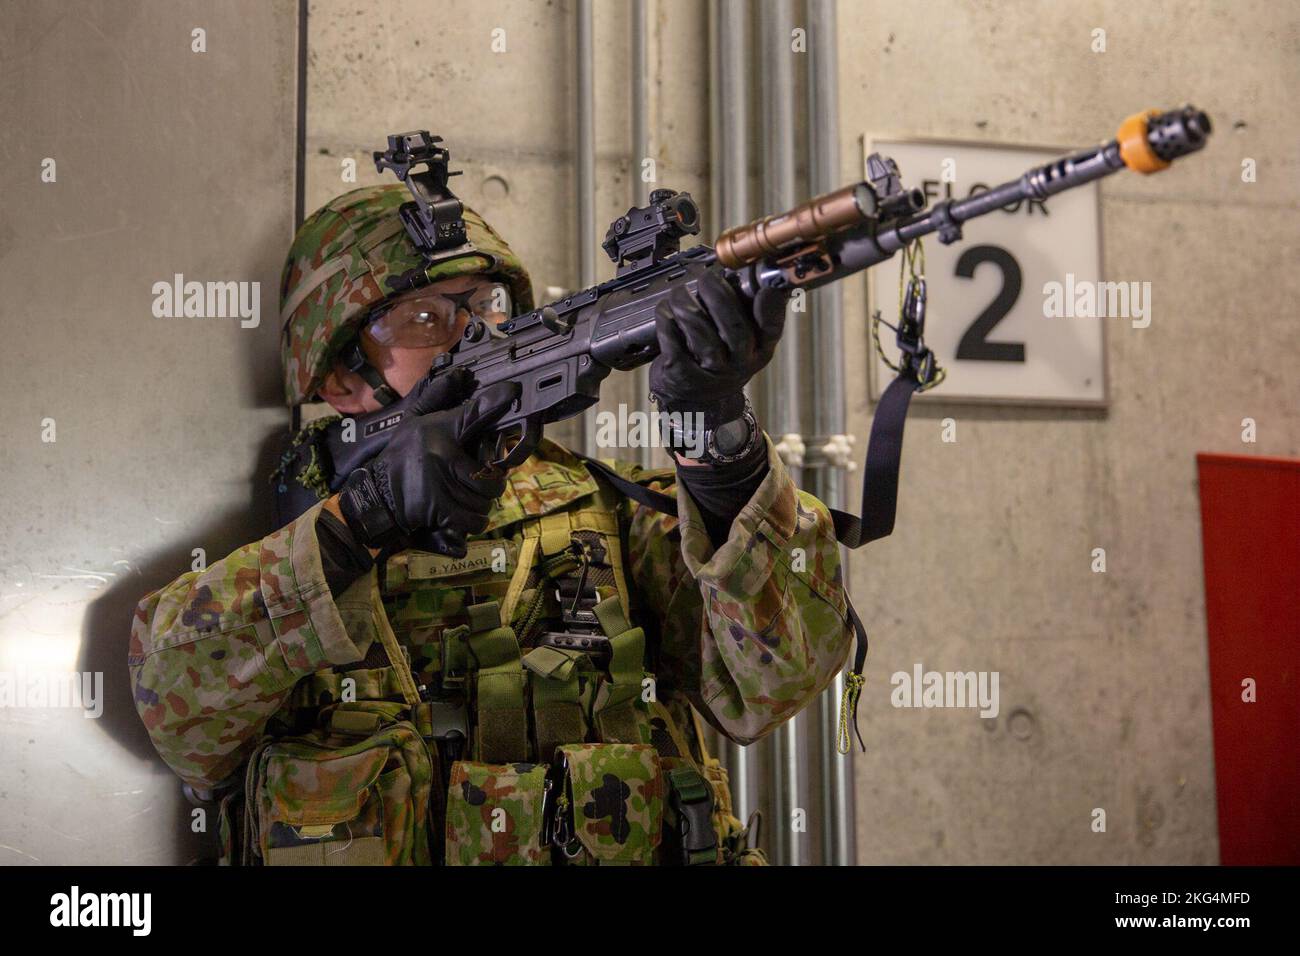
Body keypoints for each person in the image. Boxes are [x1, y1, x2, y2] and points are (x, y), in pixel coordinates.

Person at [129, 182, 854, 865]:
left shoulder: (604, 515)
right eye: (424, 316)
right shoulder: (291, 538)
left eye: (489, 303)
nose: (471, 330)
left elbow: (774, 680)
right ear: (341, 378)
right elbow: (178, 715)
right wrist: (365, 516)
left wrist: (716, 435)